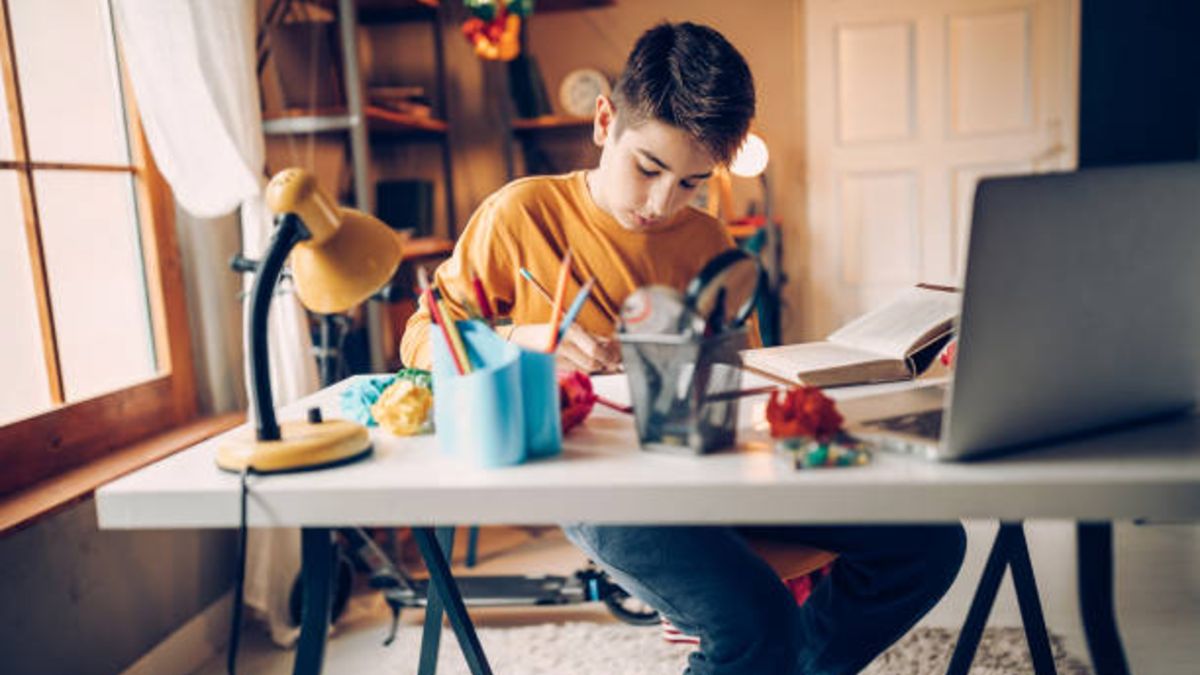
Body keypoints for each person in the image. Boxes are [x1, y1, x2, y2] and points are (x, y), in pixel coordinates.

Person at [400, 21, 966, 675]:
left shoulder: (706, 239)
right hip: (593, 477)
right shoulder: (520, 214)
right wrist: (521, 338)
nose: (661, 202)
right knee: (752, 621)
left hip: (706, 457)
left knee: (928, 542)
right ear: (604, 120)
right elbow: (422, 336)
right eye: (648, 168)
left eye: (691, 182)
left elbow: (747, 372)